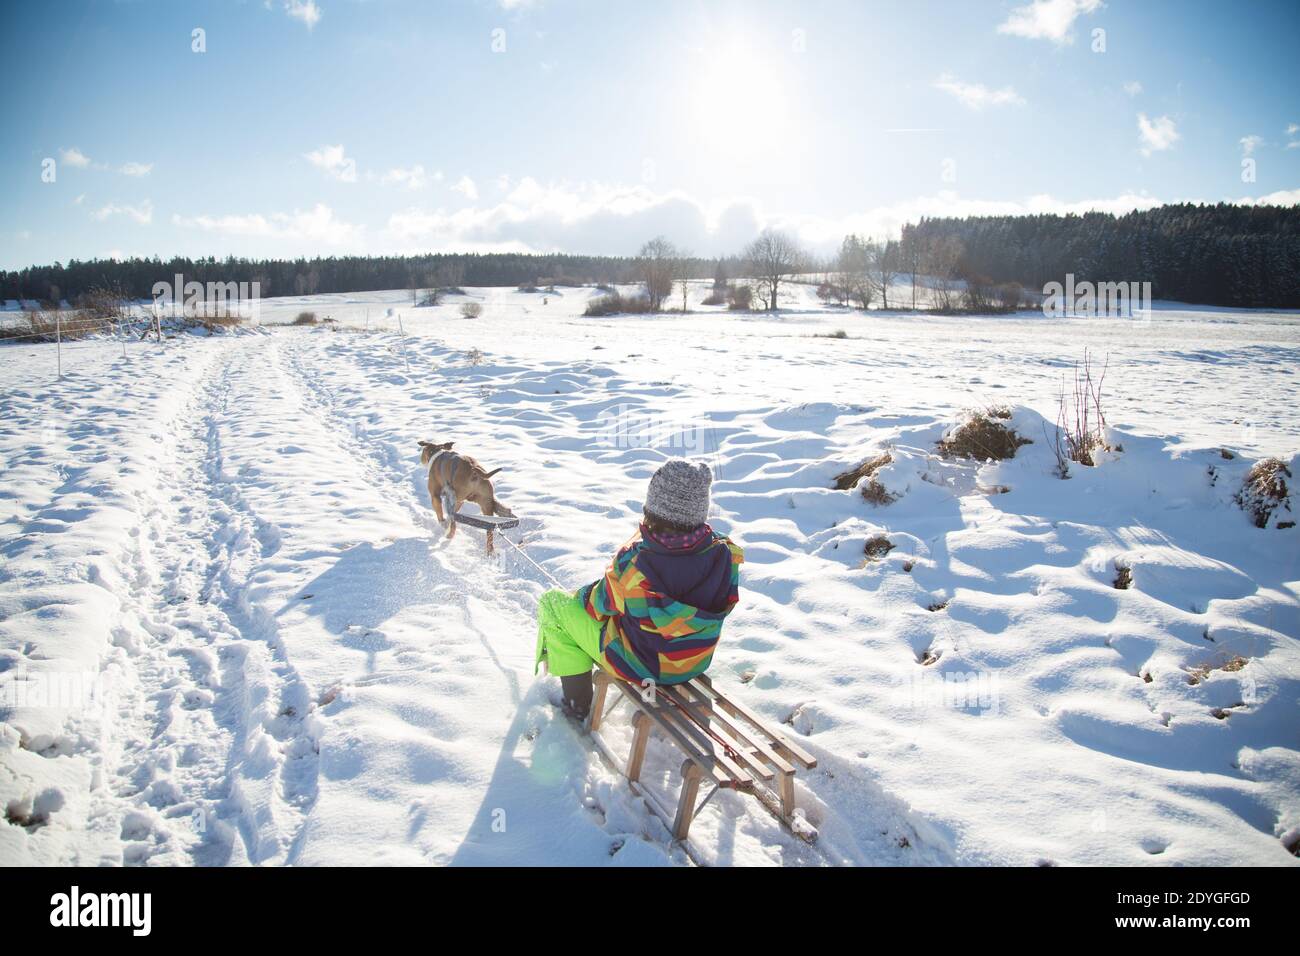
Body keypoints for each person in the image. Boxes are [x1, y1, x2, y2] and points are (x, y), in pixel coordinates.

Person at [534, 459, 743, 720]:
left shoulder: (634, 563)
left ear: (654, 506)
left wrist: (582, 595)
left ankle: (577, 708)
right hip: (694, 660)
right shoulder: (726, 553)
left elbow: (599, 605)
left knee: (553, 603)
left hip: (642, 665)